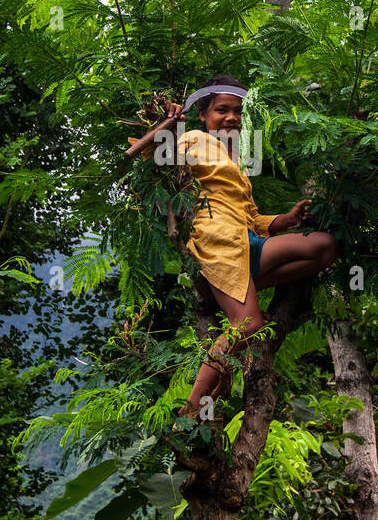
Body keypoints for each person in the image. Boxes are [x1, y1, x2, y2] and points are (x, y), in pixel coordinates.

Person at [125, 73, 339, 430]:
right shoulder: (192, 139)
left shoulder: (236, 160)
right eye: (222, 110)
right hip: (217, 243)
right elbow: (151, 161)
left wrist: (287, 219)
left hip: (247, 243)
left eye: (237, 112)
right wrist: (165, 123)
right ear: (204, 115)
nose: (232, 118)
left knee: (324, 246)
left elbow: (253, 218)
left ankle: (244, 292)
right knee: (249, 324)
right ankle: (191, 410)